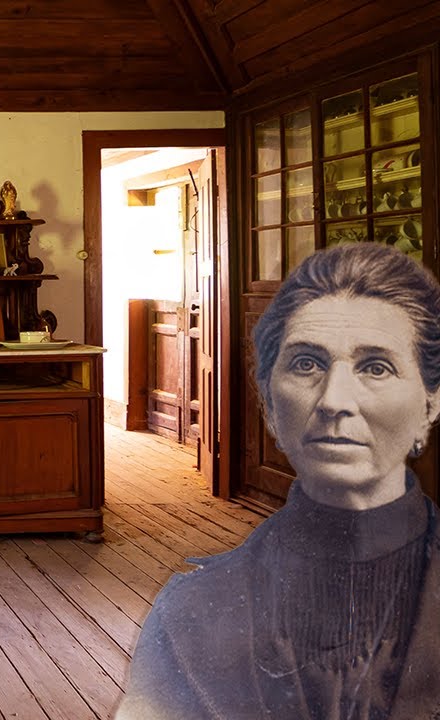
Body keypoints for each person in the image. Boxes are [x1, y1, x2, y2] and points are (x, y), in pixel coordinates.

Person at [117, 242, 440, 719]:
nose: (335, 400)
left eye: (376, 367)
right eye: (307, 364)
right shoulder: (192, 611)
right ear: (269, 401)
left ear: (430, 403)